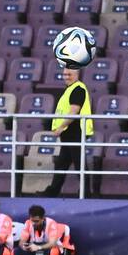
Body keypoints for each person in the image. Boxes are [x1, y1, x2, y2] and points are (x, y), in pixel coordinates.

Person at [45, 60, 93, 197]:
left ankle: (85, 193)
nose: (66, 76)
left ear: (76, 74)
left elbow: (74, 111)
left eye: (69, 74)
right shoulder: (70, 89)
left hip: (75, 132)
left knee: (79, 164)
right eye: (65, 74)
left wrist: (61, 127)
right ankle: (53, 191)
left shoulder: (78, 89)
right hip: (69, 133)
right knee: (62, 163)